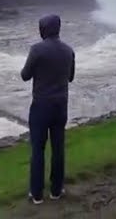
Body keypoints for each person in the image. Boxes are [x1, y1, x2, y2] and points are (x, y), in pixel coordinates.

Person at [20, 14, 76, 204]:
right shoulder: (69, 50)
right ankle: (56, 190)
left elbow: (25, 75)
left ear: (43, 29)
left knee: (38, 149)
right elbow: (70, 77)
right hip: (61, 105)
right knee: (58, 149)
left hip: (41, 106)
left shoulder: (37, 50)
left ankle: (36, 194)